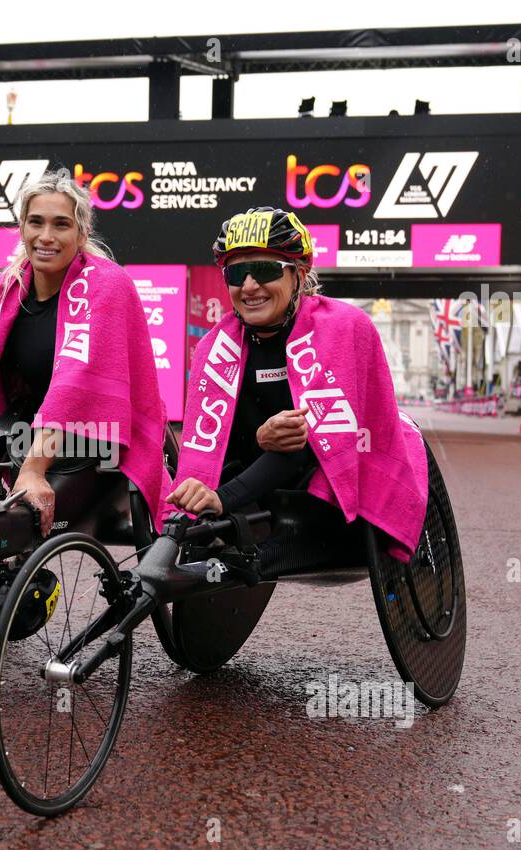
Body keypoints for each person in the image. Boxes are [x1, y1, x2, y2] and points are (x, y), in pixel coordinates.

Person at [168, 206, 427, 576]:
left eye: (267, 270)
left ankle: (260, 546)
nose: (250, 286)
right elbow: (214, 447)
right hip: (255, 480)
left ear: (299, 275)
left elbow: (329, 435)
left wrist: (222, 498)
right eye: (237, 273)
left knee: (298, 437)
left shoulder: (345, 327)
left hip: (328, 486)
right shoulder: (214, 346)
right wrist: (256, 442)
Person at [0, 168, 170, 537]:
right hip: (28, 431)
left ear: (82, 233)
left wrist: (34, 469)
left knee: (20, 528)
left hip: (101, 436)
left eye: (61, 225)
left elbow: (75, 381)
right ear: (22, 229)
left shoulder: (108, 285)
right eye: (35, 222)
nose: (46, 236)